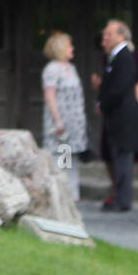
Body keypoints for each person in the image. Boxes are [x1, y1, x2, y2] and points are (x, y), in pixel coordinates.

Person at [93, 19, 138, 212]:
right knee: (118, 156)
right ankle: (120, 196)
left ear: (122, 36)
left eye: (109, 34)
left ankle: (123, 199)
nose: (105, 38)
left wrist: (103, 104)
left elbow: (120, 88)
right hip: (116, 116)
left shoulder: (125, 57)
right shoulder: (115, 57)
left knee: (123, 158)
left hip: (123, 116)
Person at [41, 32, 88, 201]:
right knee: (60, 157)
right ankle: (60, 194)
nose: (72, 48)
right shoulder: (52, 69)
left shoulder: (71, 68)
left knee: (71, 158)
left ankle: (71, 194)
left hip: (74, 121)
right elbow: (50, 95)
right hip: (60, 121)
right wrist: (58, 120)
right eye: (69, 45)